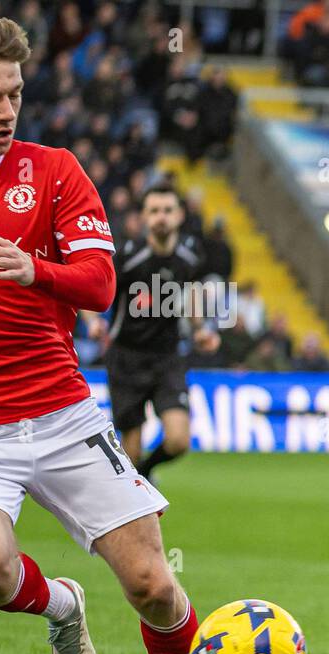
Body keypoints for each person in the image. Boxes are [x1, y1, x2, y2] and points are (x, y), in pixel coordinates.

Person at [0, 16, 238, 654]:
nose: (4, 112)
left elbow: (98, 283)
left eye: (14, 94)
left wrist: (34, 270)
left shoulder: (54, 170)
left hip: (60, 412)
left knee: (154, 583)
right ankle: (62, 606)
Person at [90, 183, 220, 481]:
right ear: (145, 217)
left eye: (167, 210)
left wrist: (199, 329)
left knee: (179, 440)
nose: (161, 217)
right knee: (131, 451)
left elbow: (191, 293)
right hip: (127, 358)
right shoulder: (128, 256)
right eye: (154, 211)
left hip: (168, 357)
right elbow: (93, 289)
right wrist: (94, 320)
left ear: (180, 215)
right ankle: (135, 488)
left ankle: (145, 475)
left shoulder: (190, 254)